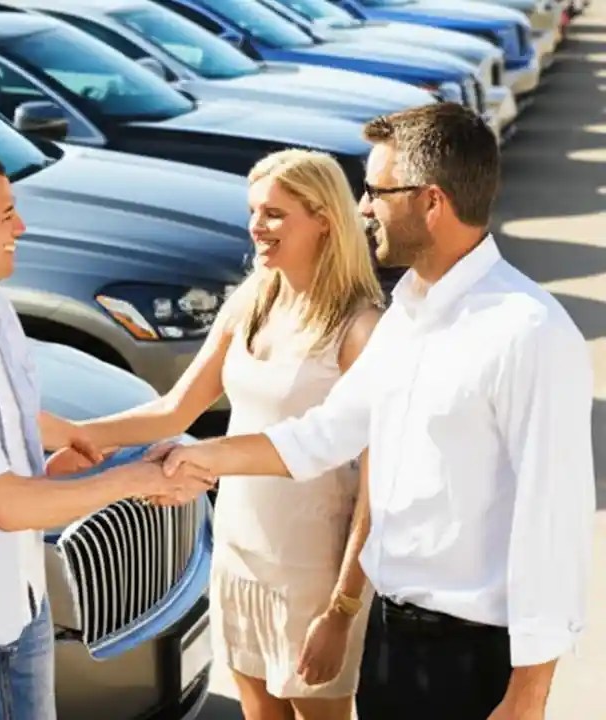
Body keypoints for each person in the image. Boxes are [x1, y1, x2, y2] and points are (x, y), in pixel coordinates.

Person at [151, 102, 595, 720]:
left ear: (431, 202)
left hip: (473, 659)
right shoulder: (408, 311)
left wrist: (529, 692)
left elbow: (554, 520)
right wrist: (199, 455)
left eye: (378, 191)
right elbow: (323, 435)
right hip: (391, 641)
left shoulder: (528, 332)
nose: (362, 208)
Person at [0, 149, 212, 720]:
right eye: (5, 214)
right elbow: (5, 505)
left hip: (22, 597)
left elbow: (16, 413)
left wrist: (77, 441)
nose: (21, 227)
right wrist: (130, 479)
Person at [50, 148, 384, 720]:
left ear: (324, 218)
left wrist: (343, 607)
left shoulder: (361, 327)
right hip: (235, 554)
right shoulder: (252, 299)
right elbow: (175, 411)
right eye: (255, 211)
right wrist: (77, 435)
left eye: (275, 213)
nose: (257, 225)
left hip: (313, 571)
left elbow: (377, 490)